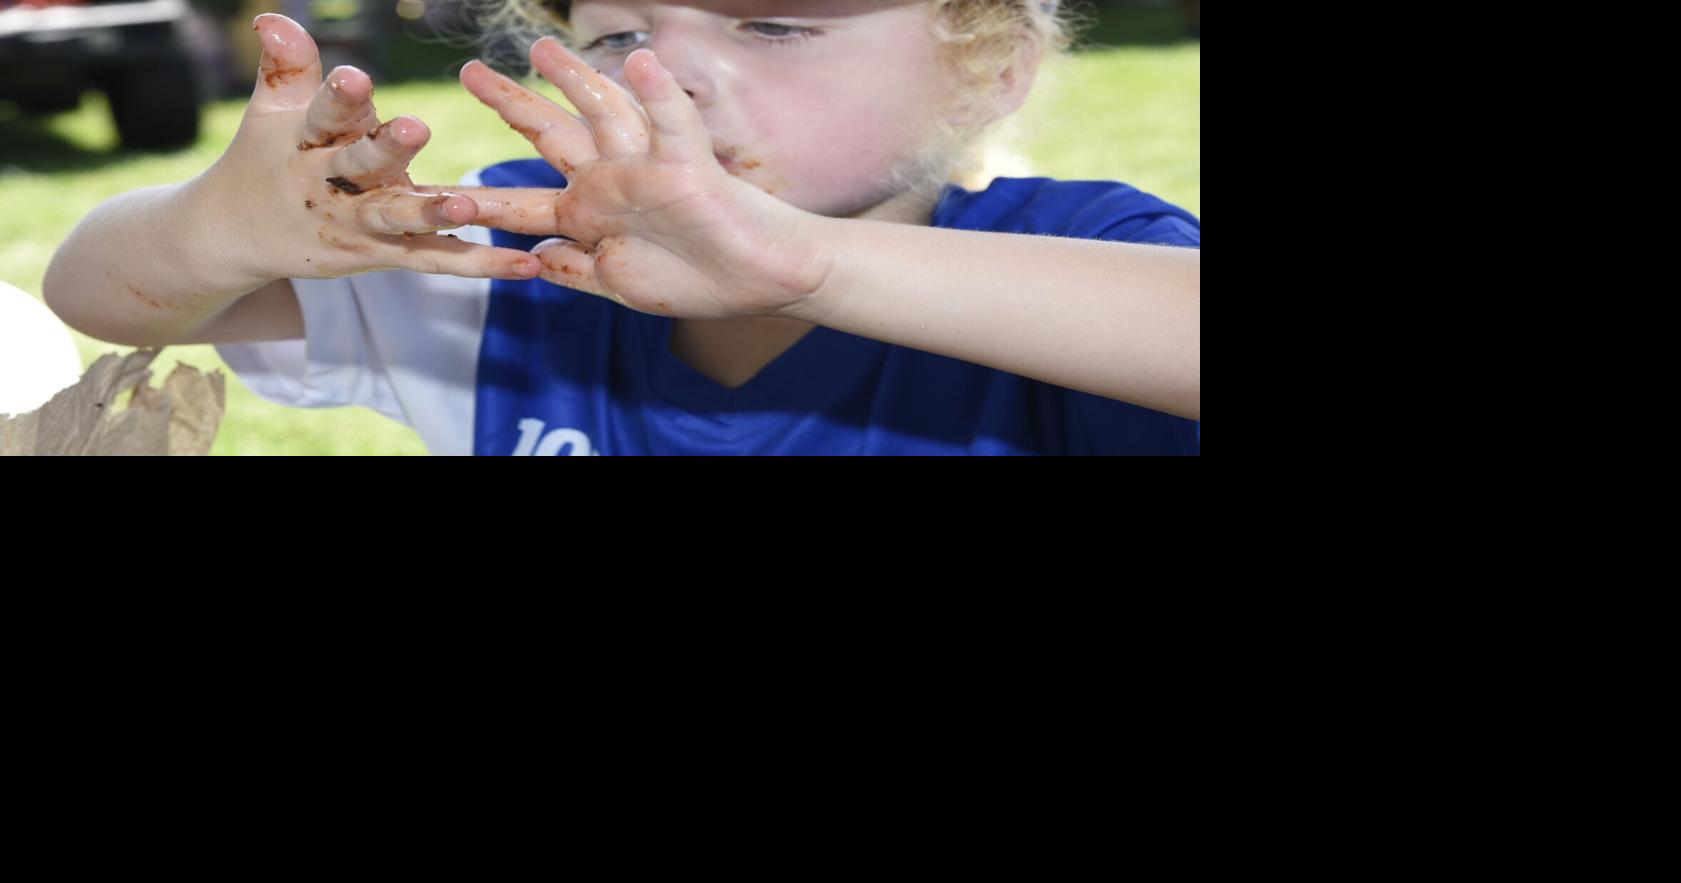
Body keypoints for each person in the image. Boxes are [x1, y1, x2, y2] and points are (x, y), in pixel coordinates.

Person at [44, 1, 1200, 455]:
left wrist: (811, 269)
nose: (663, 74)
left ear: (989, 70)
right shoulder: (514, 257)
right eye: (617, 35)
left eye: (772, 24)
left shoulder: (1079, 257)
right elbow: (94, 295)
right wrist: (216, 233)